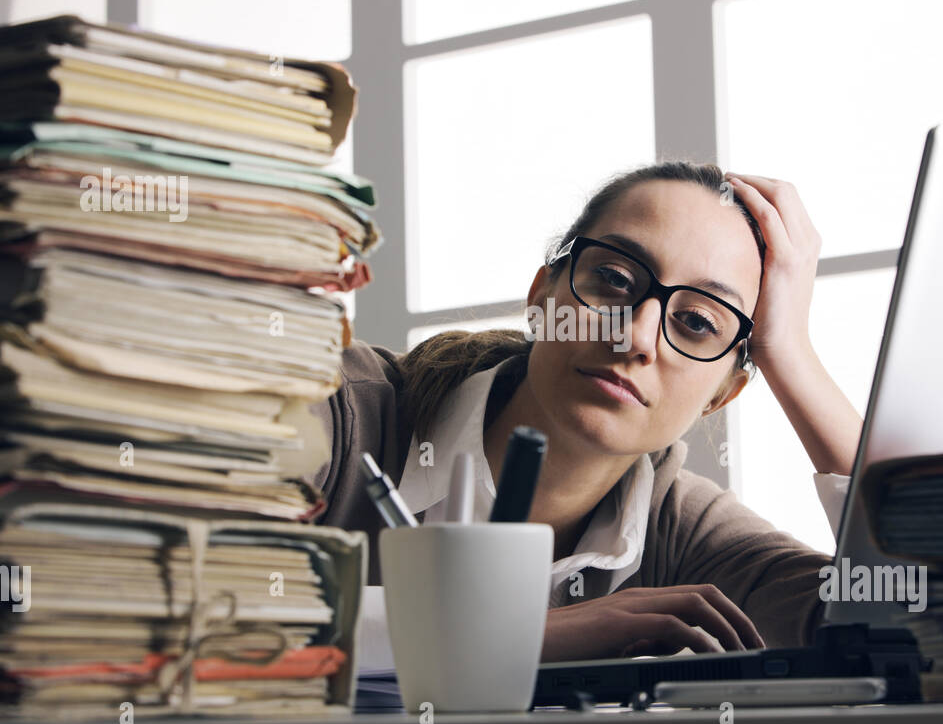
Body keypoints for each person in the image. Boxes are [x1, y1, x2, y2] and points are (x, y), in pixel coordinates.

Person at [309, 161, 863, 662]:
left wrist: (791, 353)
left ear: (724, 393)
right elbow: (226, 598)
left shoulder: (682, 530)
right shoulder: (330, 406)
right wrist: (522, 634)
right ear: (540, 296)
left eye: (697, 322)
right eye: (616, 281)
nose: (637, 336)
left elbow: (927, 621)